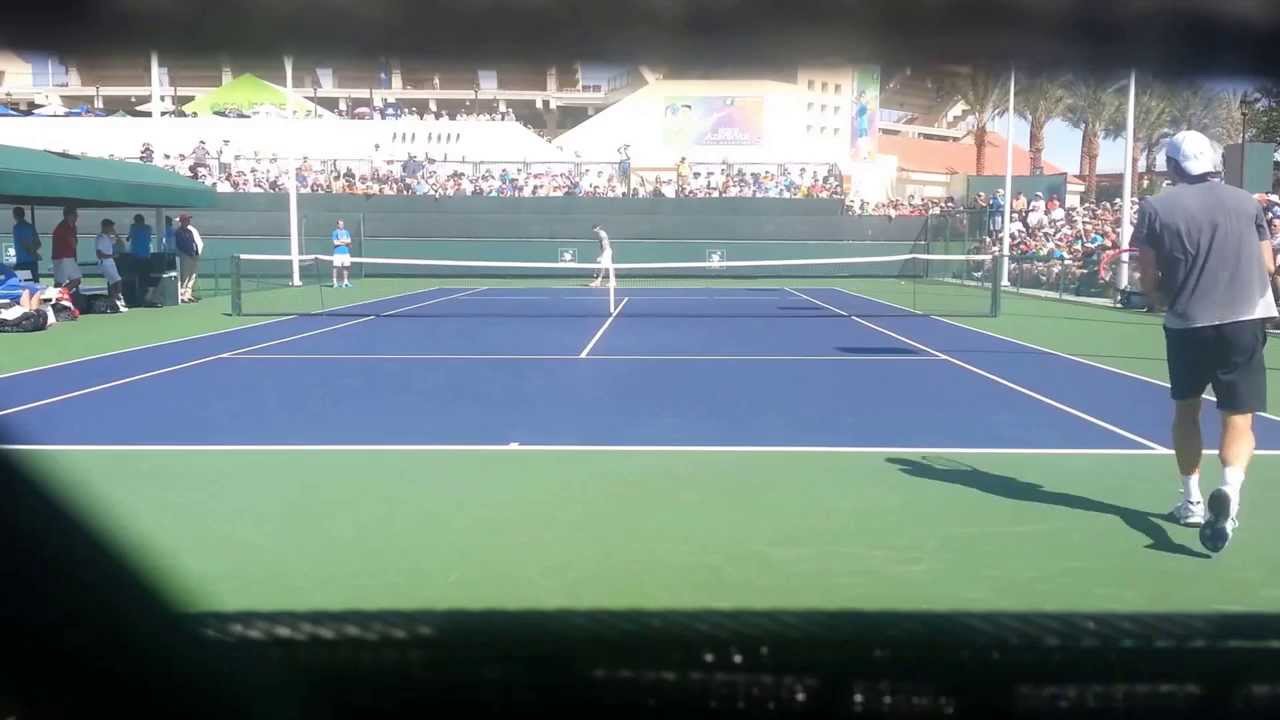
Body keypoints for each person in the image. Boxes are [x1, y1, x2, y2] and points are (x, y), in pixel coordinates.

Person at [1134, 130, 1278, 553]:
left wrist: (1157, 297)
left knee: (1187, 412)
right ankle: (1229, 492)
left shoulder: (1155, 207)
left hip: (1188, 325)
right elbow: (1268, 264)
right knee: (1239, 419)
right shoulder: (1247, 203)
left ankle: (1192, 502)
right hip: (1245, 322)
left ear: (1173, 166)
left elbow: (1148, 276)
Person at [95, 219, 127, 312]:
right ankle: (118, 299)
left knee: (113, 282)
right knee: (117, 280)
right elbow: (99, 254)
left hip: (111, 262)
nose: (112, 229)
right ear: (105, 227)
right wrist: (111, 256)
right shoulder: (100, 238)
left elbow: (121, 243)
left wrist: (115, 234)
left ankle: (114, 302)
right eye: (110, 227)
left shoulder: (108, 237)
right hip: (104, 263)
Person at [51, 207, 82, 293]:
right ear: (69, 215)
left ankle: (59, 296)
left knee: (75, 280)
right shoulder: (64, 227)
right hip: (63, 257)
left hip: (66, 257)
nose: (77, 217)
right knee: (61, 282)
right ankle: (58, 296)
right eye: (75, 215)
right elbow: (73, 243)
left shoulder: (70, 226)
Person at [174, 213, 202, 303]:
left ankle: (188, 294)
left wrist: (196, 253)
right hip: (185, 256)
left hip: (193, 255)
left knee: (192, 275)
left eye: (188, 220)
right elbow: (181, 245)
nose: (188, 221)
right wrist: (190, 254)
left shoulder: (190, 231)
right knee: (185, 276)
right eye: (186, 220)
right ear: (182, 221)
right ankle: (182, 295)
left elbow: (194, 243)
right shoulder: (178, 232)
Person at [12, 207, 42, 282]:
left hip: (22, 263)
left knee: (24, 286)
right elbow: (38, 243)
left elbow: (24, 243)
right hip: (33, 262)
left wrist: (31, 251)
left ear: (15, 215)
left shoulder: (16, 228)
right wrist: (34, 252)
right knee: (35, 285)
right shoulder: (30, 226)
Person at [587, 224, 614, 289]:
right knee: (609, 267)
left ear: (596, 228)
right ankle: (612, 281)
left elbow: (605, 244)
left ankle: (599, 281)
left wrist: (601, 256)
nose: (593, 230)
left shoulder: (601, 233)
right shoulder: (601, 233)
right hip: (607, 251)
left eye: (594, 228)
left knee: (604, 267)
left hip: (606, 251)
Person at [331, 218, 353, 288]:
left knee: (346, 267)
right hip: (337, 253)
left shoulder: (346, 232)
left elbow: (349, 241)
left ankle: (345, 282)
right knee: (335, 268)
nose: (341, 225)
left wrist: (340, 241)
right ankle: (335, 283)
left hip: (346, 253)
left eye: (342, 224)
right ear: (337, 225)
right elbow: (335, 243)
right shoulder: (335, 232)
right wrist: (345, 242)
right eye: (340, 224)